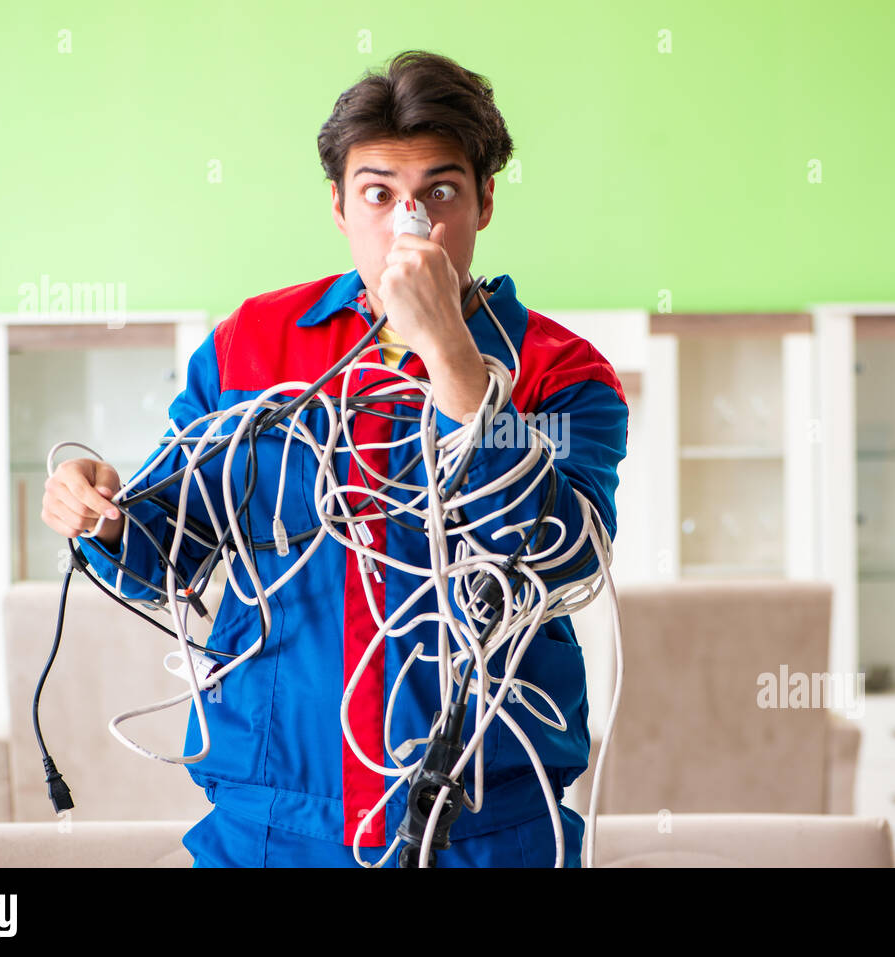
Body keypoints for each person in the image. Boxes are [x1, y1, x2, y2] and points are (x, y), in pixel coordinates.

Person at [40, 50, 629, 867]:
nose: (409, 223)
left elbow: (561, 561)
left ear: (485, 202)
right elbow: (162, 559)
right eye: (380, 194)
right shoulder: (251, 347)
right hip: (275, 819)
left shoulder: (562, 371)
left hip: (487, 823)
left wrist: (456, 363)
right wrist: (99, 514)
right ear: (340, 206)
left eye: (441, 193)